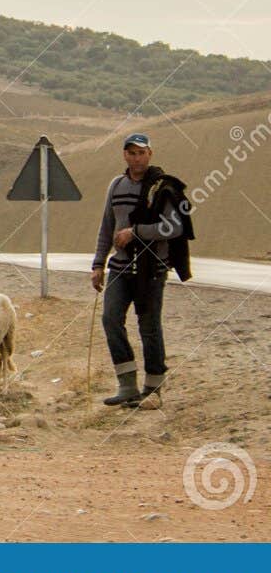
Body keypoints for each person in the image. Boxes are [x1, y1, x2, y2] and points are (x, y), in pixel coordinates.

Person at [91, 132, 184, 407]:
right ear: (124, 155)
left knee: (149, 327)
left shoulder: (163, 188)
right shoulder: (116, 186)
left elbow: (173, 227)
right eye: (131, 152)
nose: (136, 157)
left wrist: (135, 232)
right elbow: (107, 226)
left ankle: (153, 390)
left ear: (150, 154)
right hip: (119, 267)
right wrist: (98, 264)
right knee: (110, 319)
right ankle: (127, 385)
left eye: (141, 152)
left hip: (151, 269)